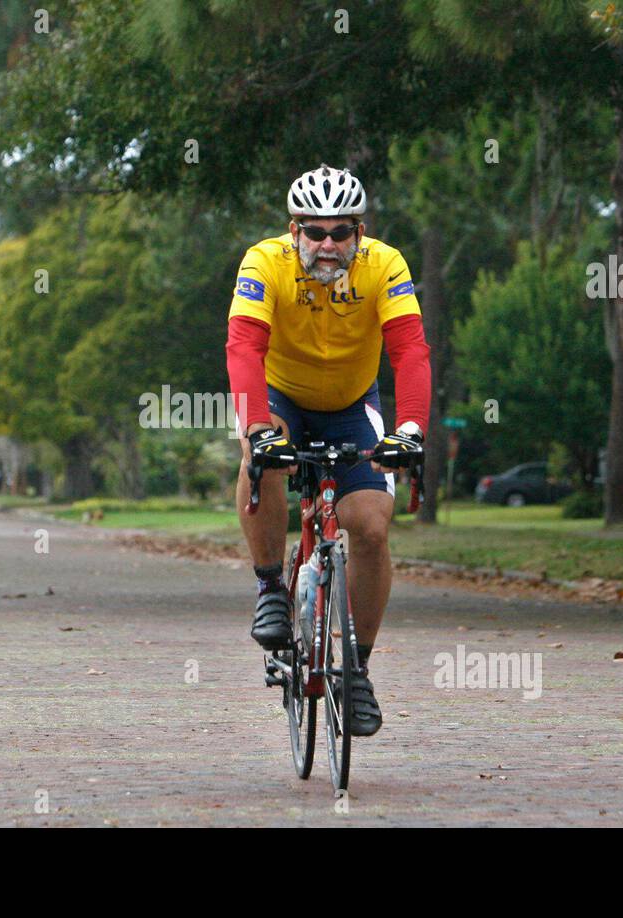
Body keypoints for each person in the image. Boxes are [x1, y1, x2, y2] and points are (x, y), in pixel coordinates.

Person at [225, 164, 431, 736]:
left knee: (370, 527)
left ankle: (356, 671)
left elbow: (411, 351)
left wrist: (410, 428)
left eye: (340, 232)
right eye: (314, 232)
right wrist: (255, 427)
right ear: (294, 231)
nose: (327, 243)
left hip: (349, 403)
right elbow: (243, 345)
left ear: (358, 233)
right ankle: (270, 586)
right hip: (280, 396)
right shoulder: (263, 261)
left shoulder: (385, 265)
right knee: (260, 458)